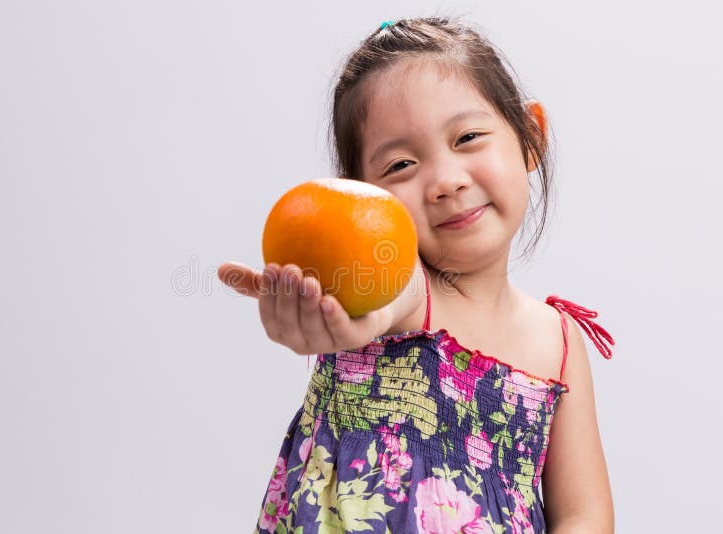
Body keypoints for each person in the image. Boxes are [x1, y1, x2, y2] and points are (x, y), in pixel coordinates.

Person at [219, 16, 616, 533]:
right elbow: (385, 298)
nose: (446, 182)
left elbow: (585, 512)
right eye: (401, 166)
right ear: (362, 198)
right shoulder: (406, 289)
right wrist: (347, 318)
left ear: (530, 137)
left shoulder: (559, 340)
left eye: (468, 136)